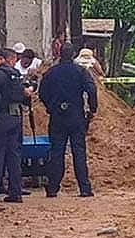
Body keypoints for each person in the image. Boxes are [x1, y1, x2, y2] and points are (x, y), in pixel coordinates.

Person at [39, 43, 98, 198]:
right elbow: (92, 89)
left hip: (57, 116)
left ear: (59, 53)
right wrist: (92, 109)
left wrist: (50, 107)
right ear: (73, 55)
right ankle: (85, 188)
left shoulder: (51, 72)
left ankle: (52, 188)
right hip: (76, 116)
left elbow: (42, 93)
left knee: (57, 151)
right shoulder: (80, 72)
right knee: (79, 152)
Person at [0, 48, 33, 203]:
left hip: (1, 118)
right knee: (14, 156)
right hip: (16, 117)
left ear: (0, 58)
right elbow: (23, 95)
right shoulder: (14, 74)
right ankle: (15, 192)